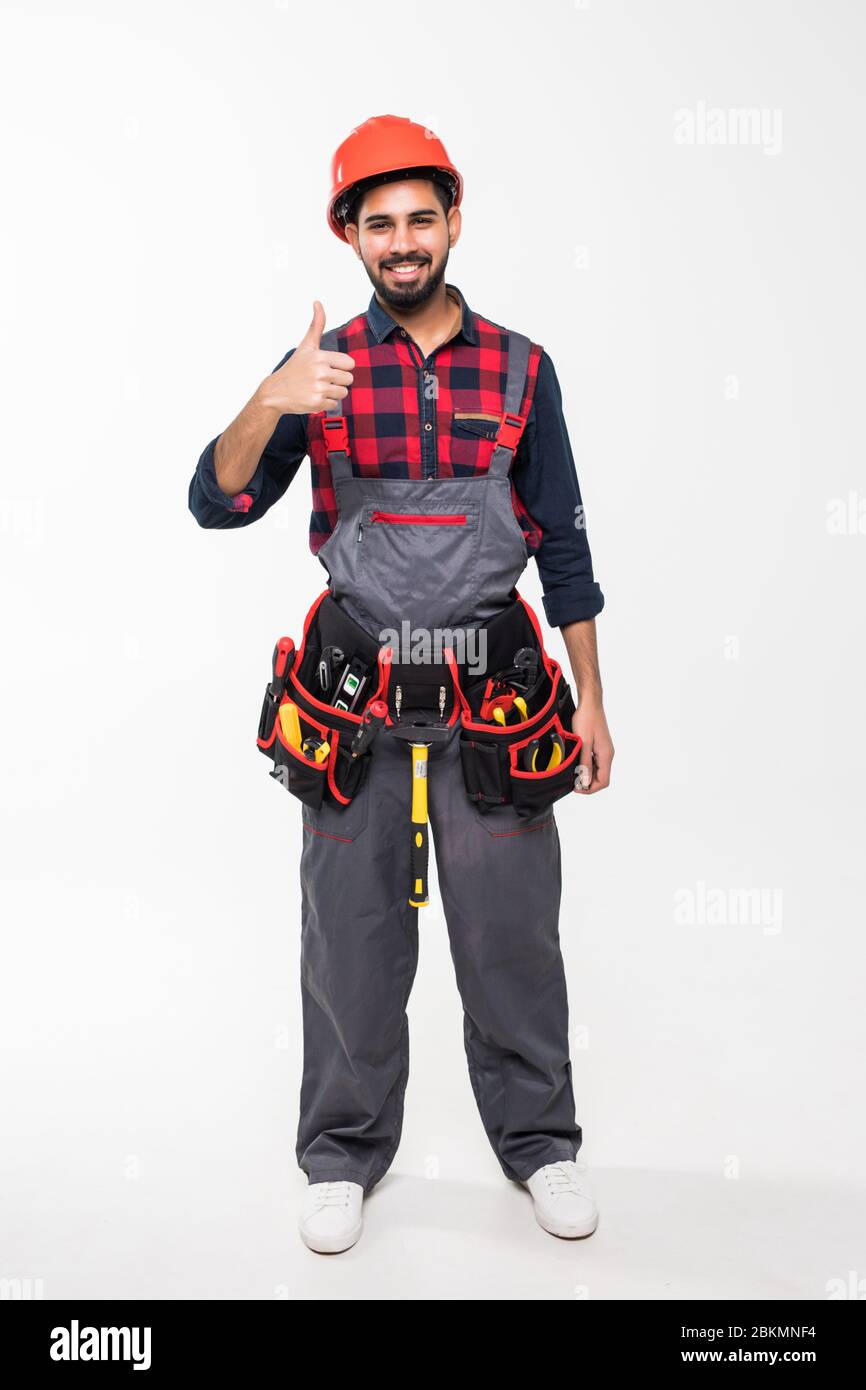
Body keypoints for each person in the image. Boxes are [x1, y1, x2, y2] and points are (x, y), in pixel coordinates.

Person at [188, 114, 614, 1254]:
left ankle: (541, 1144)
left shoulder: (523, 368)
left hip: (497, 697)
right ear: (351, 237)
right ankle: (341, 1153)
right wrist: (274, 397)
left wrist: (591, 698)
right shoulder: (318, 374)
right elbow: (215, 501)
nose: (402, 239)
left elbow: (563, 545)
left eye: (420, 217)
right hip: (353, 698)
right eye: (378, 222)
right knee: (348, 935)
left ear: (453, 221)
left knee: (511, 935)